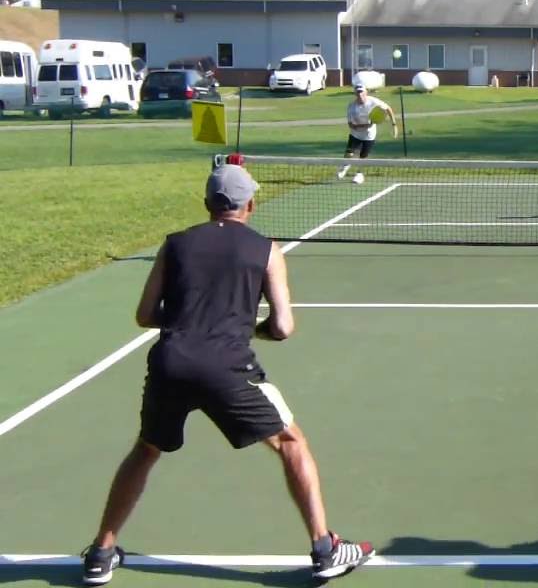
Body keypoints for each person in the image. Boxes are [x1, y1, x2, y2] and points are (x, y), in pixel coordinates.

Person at [79, 164, 374, 585]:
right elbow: (284, 328)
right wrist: (248, 328)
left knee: (146, 448)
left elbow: (145, 315)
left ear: (207, 204)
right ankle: (325, 548)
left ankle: (100, 553)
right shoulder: (266, 250)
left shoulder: (174, 245)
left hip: (170, 363)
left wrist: (188, 319)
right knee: (291, 443)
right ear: (250, 204)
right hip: (228, 368)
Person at [338, 82, 397, 184]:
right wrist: (365, 126)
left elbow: (388, 109)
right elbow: (351, 125)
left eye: (361, 92)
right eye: (358, 93)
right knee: (349, 153)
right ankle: (345, 167)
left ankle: (359, 175)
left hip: (369, 136)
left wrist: (394, 124)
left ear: (366, 92)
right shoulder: (351, 106)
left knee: (363, 156)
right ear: (355, 94)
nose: (360, 94)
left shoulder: (373, 101)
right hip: (355, 134)